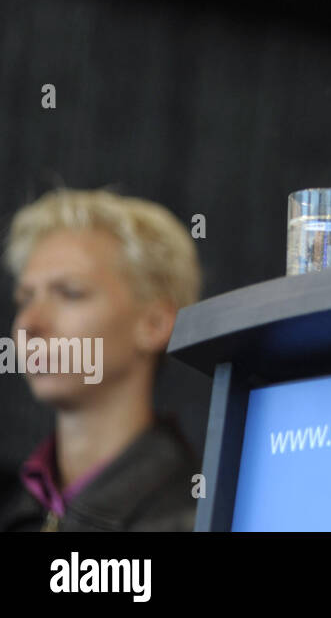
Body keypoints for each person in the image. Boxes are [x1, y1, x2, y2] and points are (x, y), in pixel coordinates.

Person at [0, 188, 202, 531]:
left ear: (154, 324)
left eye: (70, 293)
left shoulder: (201, 516)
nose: (28, 323)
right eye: (25, 297)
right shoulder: (15, 508)